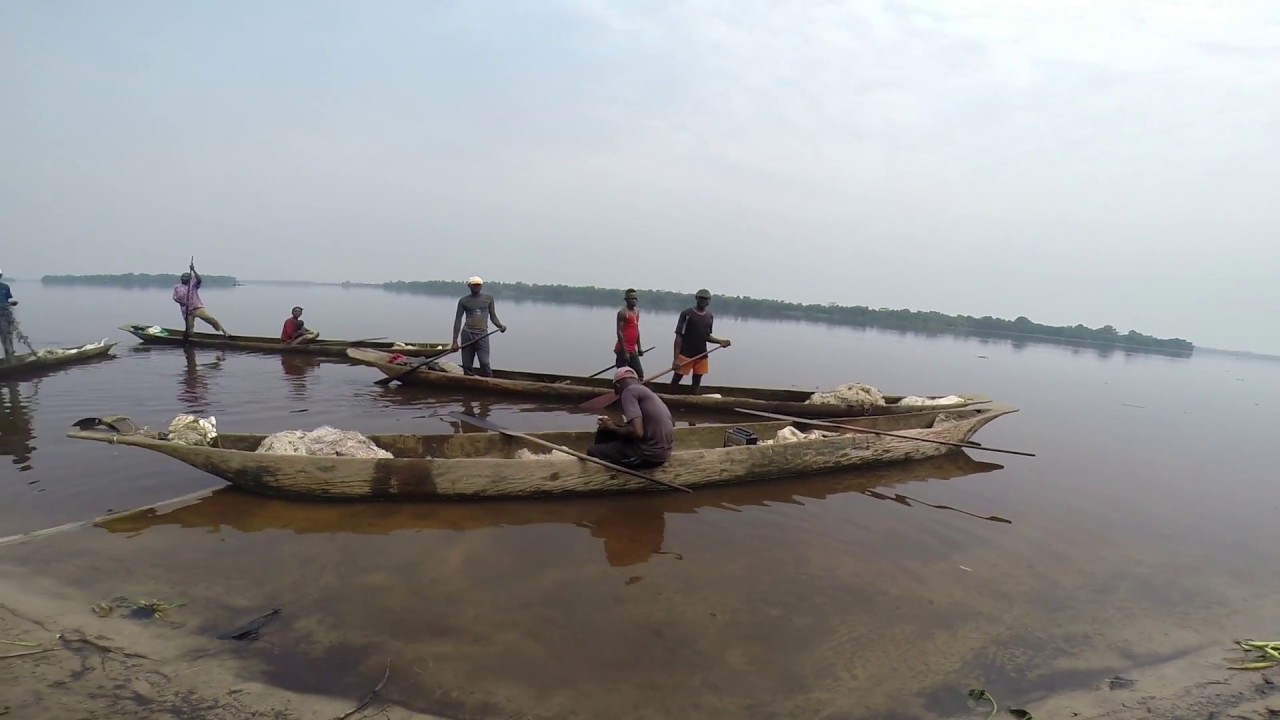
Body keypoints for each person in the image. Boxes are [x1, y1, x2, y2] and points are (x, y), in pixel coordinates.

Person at [586, 367, 674, 468]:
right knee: (604, 432)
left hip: (649, 455)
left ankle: (607, 472)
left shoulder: (629, 392)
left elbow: (637, 432)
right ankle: (608, 455)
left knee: (592, 451)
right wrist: (613, 427)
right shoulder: (646, 392)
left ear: (617, 386)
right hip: (663, 452)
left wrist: (612, 427)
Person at [671, 288, 731, 393]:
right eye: (701, 298)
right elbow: (679, 336)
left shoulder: (709, 316)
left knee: (697, 381)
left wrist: (720, 341)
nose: (703, 301)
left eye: (706, 299)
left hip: (701, 355)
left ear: (709, 301)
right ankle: (669, 399)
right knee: (677, 379)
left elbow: (706, 336)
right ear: (696, 298)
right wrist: (676, 359)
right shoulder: (686, 314)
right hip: (686, 354)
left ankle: (693, 400)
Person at [451, 276, 506, 377]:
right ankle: (469, 384)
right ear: (469, 286)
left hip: (482, 336)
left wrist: (500, 326)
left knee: (484, 363)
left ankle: (490, 383)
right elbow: (458, 320)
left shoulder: (488, 299)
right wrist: (455, 340)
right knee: (467, 365)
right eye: (474, 285)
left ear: (481, 286)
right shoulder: (463, 301)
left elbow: (493, 316)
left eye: (478, 285)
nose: (476, 287)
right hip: (467, 335)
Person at [173, 261, 228, 340]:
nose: (184, 279)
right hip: (187, 311)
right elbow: (175, 298)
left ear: (189, 279)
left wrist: (193, 270)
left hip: (197, 308)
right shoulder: (177, 287)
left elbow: (199, 280)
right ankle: (190, 340)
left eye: (186, 278)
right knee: (189, 330)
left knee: (212, 319)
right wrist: (183, 303)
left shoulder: (193, 285)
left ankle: (224, 331)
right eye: (183, 278)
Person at [614, 288, 645, 378]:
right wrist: (625, 352)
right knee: (623, 375)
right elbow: (619, 332)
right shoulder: (622, 313)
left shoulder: (637, 312)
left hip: (632, 350)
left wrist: (639, 347)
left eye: (635, 298)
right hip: (622, 349)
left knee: (639, 374)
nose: (634, 300)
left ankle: (635, 390)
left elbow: (636, 330)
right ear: (626, 300)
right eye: (631, 299)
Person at [0, 269, 17, 363]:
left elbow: (6, 301)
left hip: (5, 315)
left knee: (7, 337)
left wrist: (11, 303)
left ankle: (9, 359)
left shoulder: (5, 287)